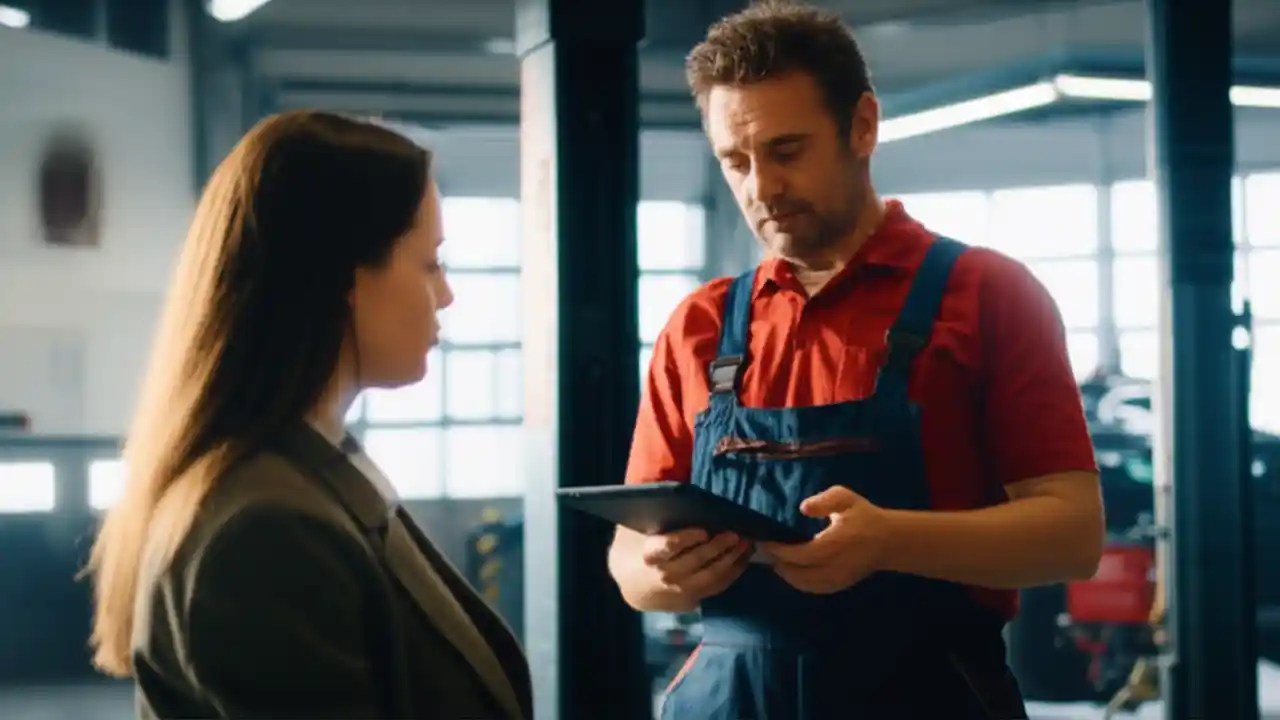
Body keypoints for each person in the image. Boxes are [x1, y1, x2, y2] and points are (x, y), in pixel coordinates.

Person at [607, 2, 1105, 718]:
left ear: (862, 126)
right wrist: (661, 571)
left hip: (927, 692)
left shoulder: (988, 296)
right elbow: (629, 563)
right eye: (735, 161)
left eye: (786, 151)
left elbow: (1071, 534)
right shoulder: (700, 325)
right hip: (727, 698)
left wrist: (891, 541)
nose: (760, 188)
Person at [83, 111, 532, 720]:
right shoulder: (265, 528)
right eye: (429, 263)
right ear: (345, 276)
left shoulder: (307, 472)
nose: (446, 293)